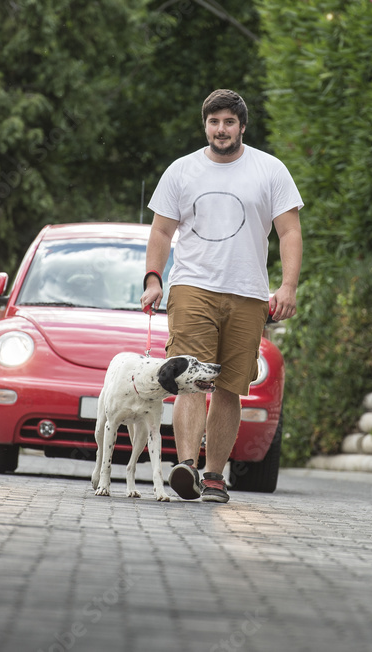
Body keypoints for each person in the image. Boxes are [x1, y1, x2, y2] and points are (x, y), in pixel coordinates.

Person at [140, 89, 303, 503]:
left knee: (230, 386)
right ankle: (187, 466)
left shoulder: (270, 170)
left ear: (242, 126)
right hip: (193, 286)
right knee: (191, 377)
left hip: (248, 292)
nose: (221, 129)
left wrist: (286, 287)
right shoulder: (182, 171)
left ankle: (214, 475)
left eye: (229, 121)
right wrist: (154, 279)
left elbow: (289, 231)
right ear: (205, 125)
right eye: (214, 121)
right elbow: (161, 231)